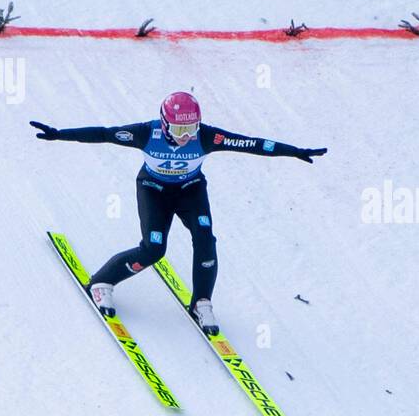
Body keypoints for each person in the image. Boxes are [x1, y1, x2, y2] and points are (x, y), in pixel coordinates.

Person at [30, 91, 325, 333]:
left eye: (191, 129)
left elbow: (252, 144)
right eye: (180, 129)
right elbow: (105, 134)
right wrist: (59, 135)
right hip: (153, 190)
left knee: (206, 240)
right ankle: (102, 281)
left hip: (190, 190)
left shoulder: (207, 137)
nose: (186, 136)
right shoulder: (147, 133)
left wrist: (295, 151)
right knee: (154, 250)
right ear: (165, 123)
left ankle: (201, 301)